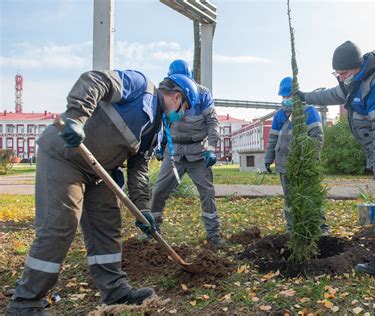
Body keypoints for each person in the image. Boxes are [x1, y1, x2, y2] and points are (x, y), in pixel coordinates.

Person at [5, 69, 199, 315]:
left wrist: (144, 210)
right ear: (176, 96)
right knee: (60, 224)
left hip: (100, 172)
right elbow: (95, 80)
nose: (182, 115)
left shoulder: (155, 130)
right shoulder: (140, 86)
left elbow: (138, 172)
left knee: (108, 227)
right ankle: (26, 302)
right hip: (65, 156)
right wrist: (76, 118)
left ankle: (115, 290)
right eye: (185, 108)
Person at [297, 41, 375, 278]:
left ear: (357, 67)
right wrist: (304, 96)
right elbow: (329, 95)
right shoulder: (354, 83)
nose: (340, 78)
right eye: (336, 73)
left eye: (343, 73)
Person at [150, 60, 226, 248]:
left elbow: (212, 122)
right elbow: (159, 121)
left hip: (198, 153)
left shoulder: (202, 94)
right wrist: (159, 145)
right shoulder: (166, 94)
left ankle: (214, 235)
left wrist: (212, 148)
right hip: (173, 152)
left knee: (207, 193)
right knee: (159, 191)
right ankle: (152, 231)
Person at [264, 76, 329, 235]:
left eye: (289, 96)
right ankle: (292, 228)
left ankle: (321, 228)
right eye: (283, 96)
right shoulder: (280, 115)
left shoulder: (309, 112)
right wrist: (268, 158)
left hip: (304, 164)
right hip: (284, 164)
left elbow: (317, 137)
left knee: (310, 194)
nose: (286, 99)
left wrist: (310, 159)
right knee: (289, 199)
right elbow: (272, 138)